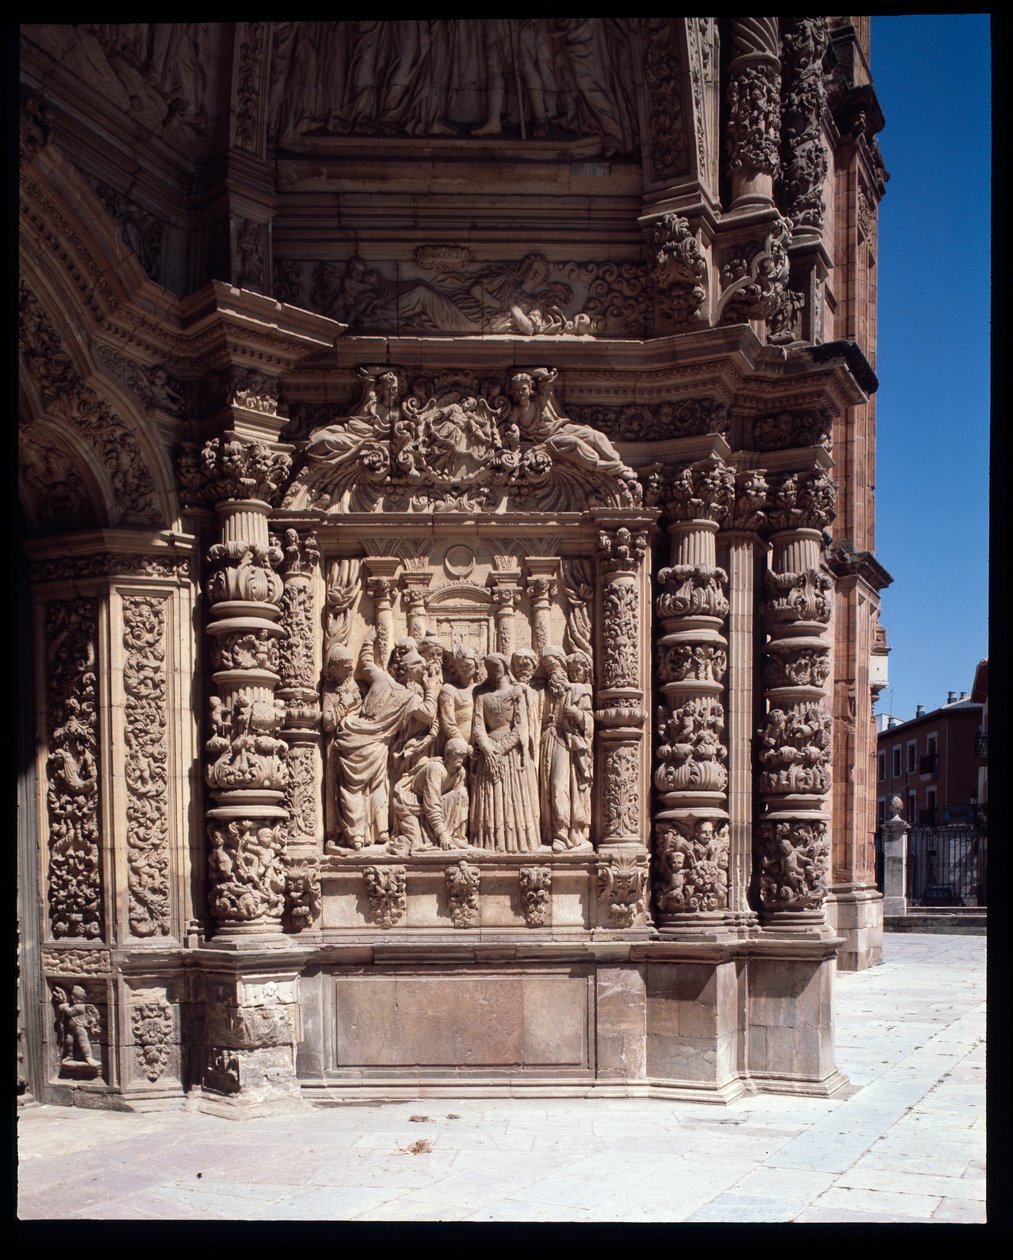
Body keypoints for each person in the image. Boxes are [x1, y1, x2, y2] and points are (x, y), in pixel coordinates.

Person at [331, 630, 440, 849]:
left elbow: (365, 662)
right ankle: (379, 831)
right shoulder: (410, 697)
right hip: (376, 744)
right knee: (377, 786)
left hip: (352, 732)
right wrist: (431, 690)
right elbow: (429, 713)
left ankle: (356, 836)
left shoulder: (382, 678)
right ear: (413, 674)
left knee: (353, 788)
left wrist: (369, 640)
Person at [469, 653, 540, 851]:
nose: (493, 670)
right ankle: (490, 842)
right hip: (489, 751)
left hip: (509, 754)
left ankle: (515, 843)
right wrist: (487, 749)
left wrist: (499, 749)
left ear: (505, 667)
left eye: (497, 666)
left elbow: (520, 727)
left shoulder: (516, 692)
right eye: (489, 668)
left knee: (512, 797)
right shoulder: (482, 696)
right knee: (490, 796)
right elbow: (478, 726)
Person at [539, 646, 594, 851]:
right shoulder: (544, 690)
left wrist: (577, 715)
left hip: (566, 739)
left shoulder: (578, 690)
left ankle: (564, 830)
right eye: (547, 667)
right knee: (546, 786)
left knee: (557, 784)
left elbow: (589, 718)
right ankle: (551, 829)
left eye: (554, 665)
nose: (552, 671)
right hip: (547, 739)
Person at [390, 738, 471, 853]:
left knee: (462, 792)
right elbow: (431, 801)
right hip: (412, 804)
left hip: (434, 804)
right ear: (448, 753)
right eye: (457, 754)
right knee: (416, 844)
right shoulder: (436, 768)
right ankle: (440, 836)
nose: (461, 758)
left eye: (463, 755)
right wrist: (441, 832)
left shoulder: (460, 772)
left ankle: (455, 836)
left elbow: (450, 802)